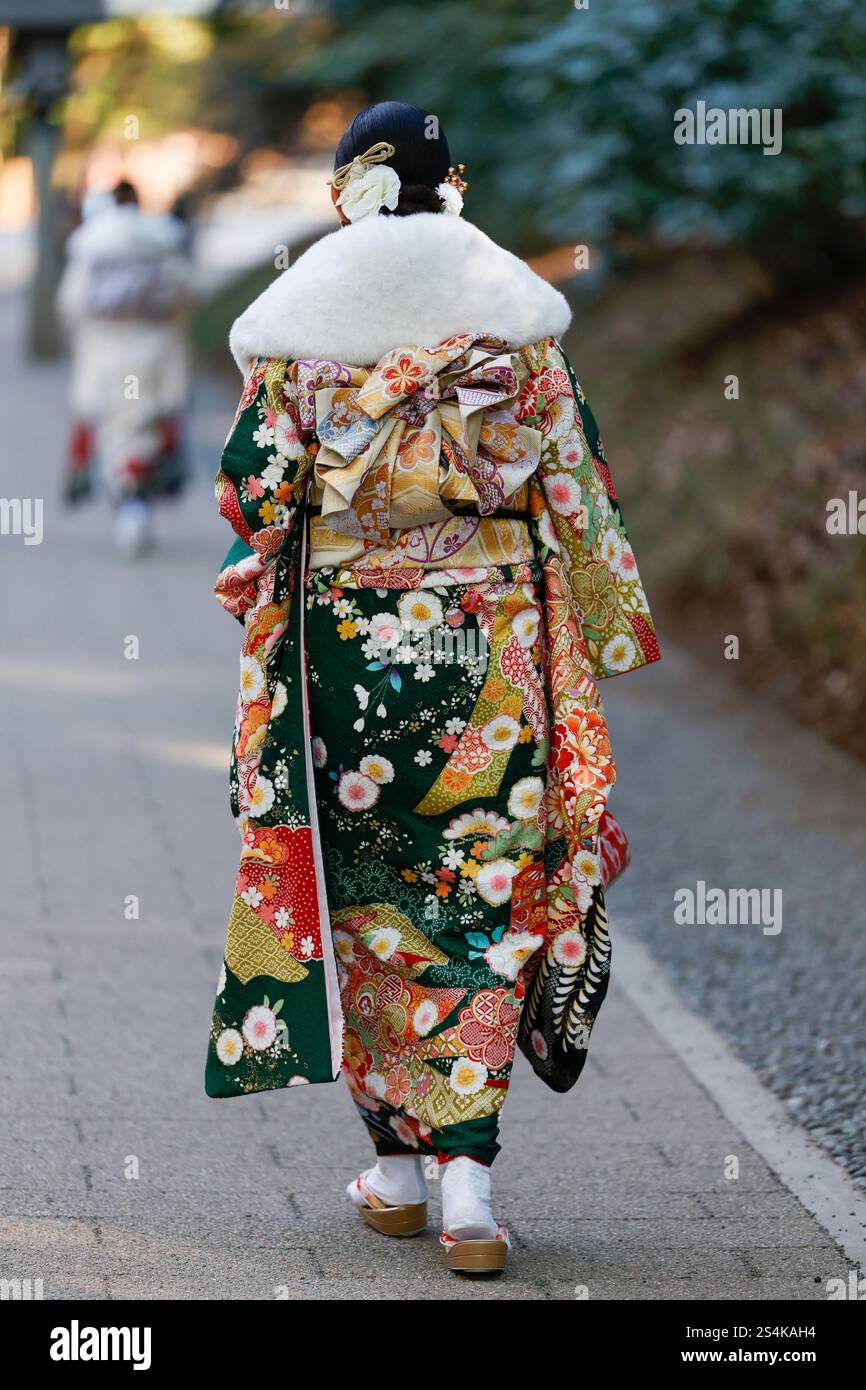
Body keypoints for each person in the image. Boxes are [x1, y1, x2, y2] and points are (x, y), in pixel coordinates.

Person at [204, 102, 660, 1274]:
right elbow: (577, 480)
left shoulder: (308, 312)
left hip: (348, 654)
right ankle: (466, 1187)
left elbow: (255, 490)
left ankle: (393, 1171)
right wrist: (606, 629)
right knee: (479, 885)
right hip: (491, 650)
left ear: (350, 187)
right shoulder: (511, 313)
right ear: (443, 183)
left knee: (366, 897)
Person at [57, 180, 190, 556]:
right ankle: (137, 498)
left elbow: (72, 301)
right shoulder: (161, 239)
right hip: (155, 348)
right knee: (145, 423)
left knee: (114, 428)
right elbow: (184, 291)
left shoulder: (93, 242)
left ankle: (125, 496)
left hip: (106, 348)